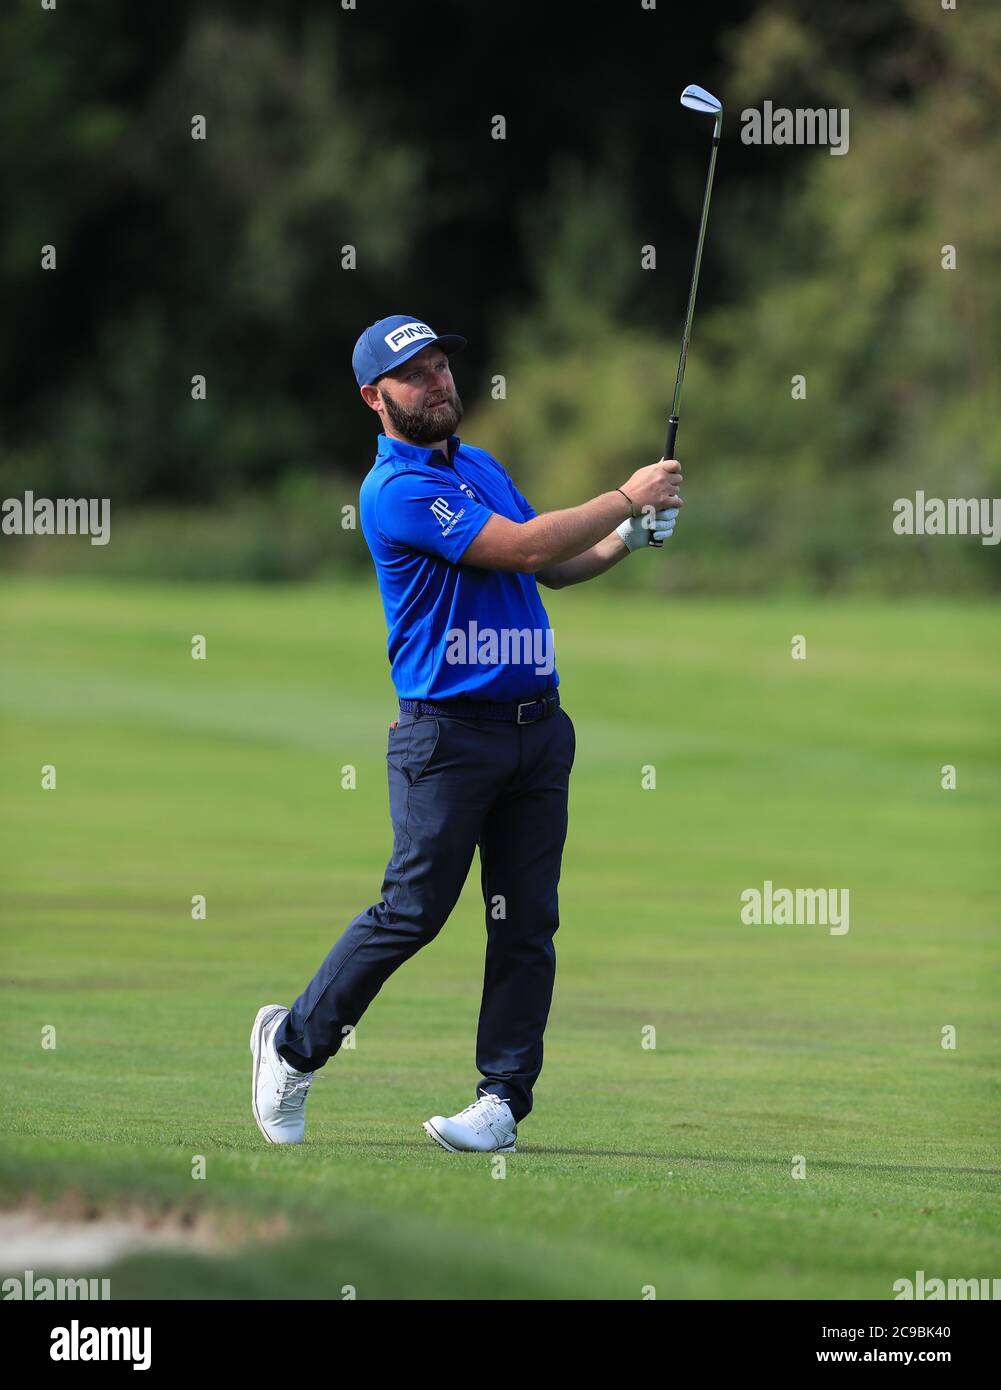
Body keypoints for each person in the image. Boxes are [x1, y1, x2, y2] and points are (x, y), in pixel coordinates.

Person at [251, 314, 683, 1152]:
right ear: (376, 398)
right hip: (445, 738)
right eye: (415, 373)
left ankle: (501, 1102)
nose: (438, 380)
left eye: (442, 363)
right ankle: (292, 1046)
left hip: (536, 731)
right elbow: (521, 547)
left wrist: (625, 538)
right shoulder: (395, 491)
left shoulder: (480, 465)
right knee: (413, 911)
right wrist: (626, 494)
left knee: (526, 921)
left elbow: (554, 566)